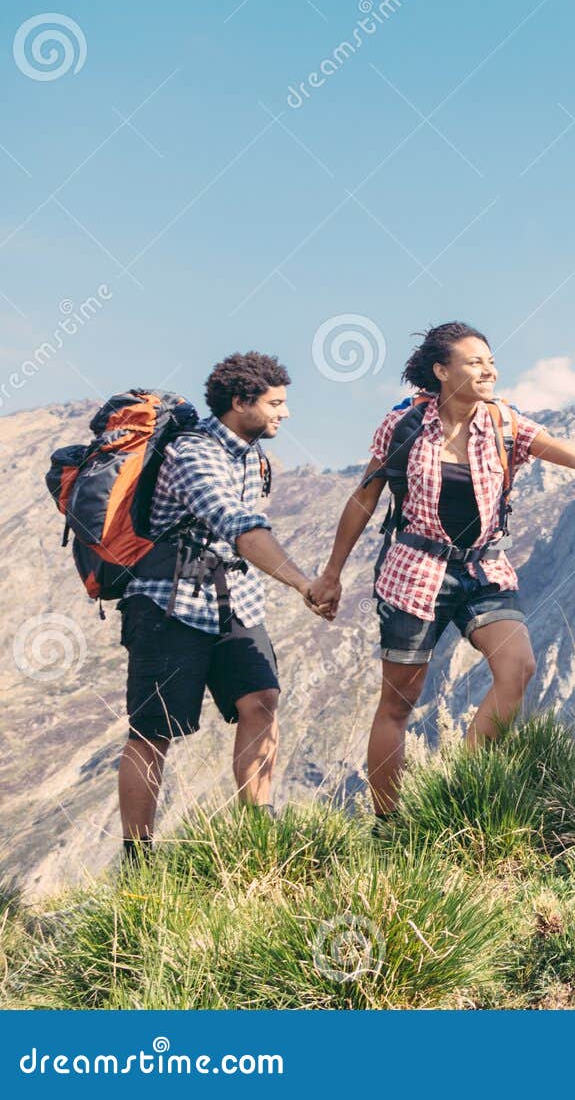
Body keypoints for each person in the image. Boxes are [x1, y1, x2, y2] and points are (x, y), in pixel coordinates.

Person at [308, 322, 575, 822]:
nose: (489, 370)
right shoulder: (403, 426)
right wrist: (332, 573)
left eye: (491, 361)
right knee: (398, 705)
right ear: (441, 371)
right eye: (474, 362)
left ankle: (462, 795)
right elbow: (364, 498)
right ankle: (388, 825)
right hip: (414, 572)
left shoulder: (504, 424)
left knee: (518, 667)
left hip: (483, 569)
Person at [118, 352, 333, 864]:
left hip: (235, 600)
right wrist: (303, 583)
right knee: (154, 731)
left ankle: (258, 837)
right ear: (240, 402)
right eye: (275, 404)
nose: (285, 413)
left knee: (262, 699)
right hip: (168, 605)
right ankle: (138, 861)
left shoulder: (252, 456)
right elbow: (238, 525)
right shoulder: (192, 453)